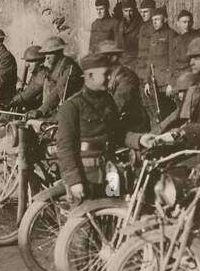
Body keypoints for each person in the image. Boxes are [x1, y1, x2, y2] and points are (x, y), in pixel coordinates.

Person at [55, 53, 154, 204]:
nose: (109, 78)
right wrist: (74, 181)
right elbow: (64, 147)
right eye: (105, 74)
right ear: (90, 76)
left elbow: (118, 133)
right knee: (84, 216)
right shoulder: (72, 107)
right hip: (86, 176)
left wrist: (140, 139)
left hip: (111, 172)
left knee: (115, 211)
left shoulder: (108, 101)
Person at [94, 39, 147, 133]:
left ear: (113, 58)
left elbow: (116, 106)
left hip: (131, 129)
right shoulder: (105, 76)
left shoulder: (127, 77)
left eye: (100, 57)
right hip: (112, 124)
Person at [30, 36, 83, 118]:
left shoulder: (69, 68)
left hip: (71, 112)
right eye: (46, 54)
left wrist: (41, 111)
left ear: (59, 52)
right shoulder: (56, 67)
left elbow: (58, 91)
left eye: (50, 53)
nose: (47, 57)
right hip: (59, 109)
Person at [8, 45, 48, 110]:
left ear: (41, 62)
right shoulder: (36, 74)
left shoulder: (42, 75)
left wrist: (7, 103)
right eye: (26, 61)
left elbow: (26, 96)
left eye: (31, 61)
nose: (27, 65)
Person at [119, 0, 144, 69]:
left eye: (131, 11)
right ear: (122, 11)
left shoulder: (141, 24)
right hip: (122, 62)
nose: (128, 14)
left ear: (135, 10)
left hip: (136, 62)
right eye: (126, 11)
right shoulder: (120, 25)